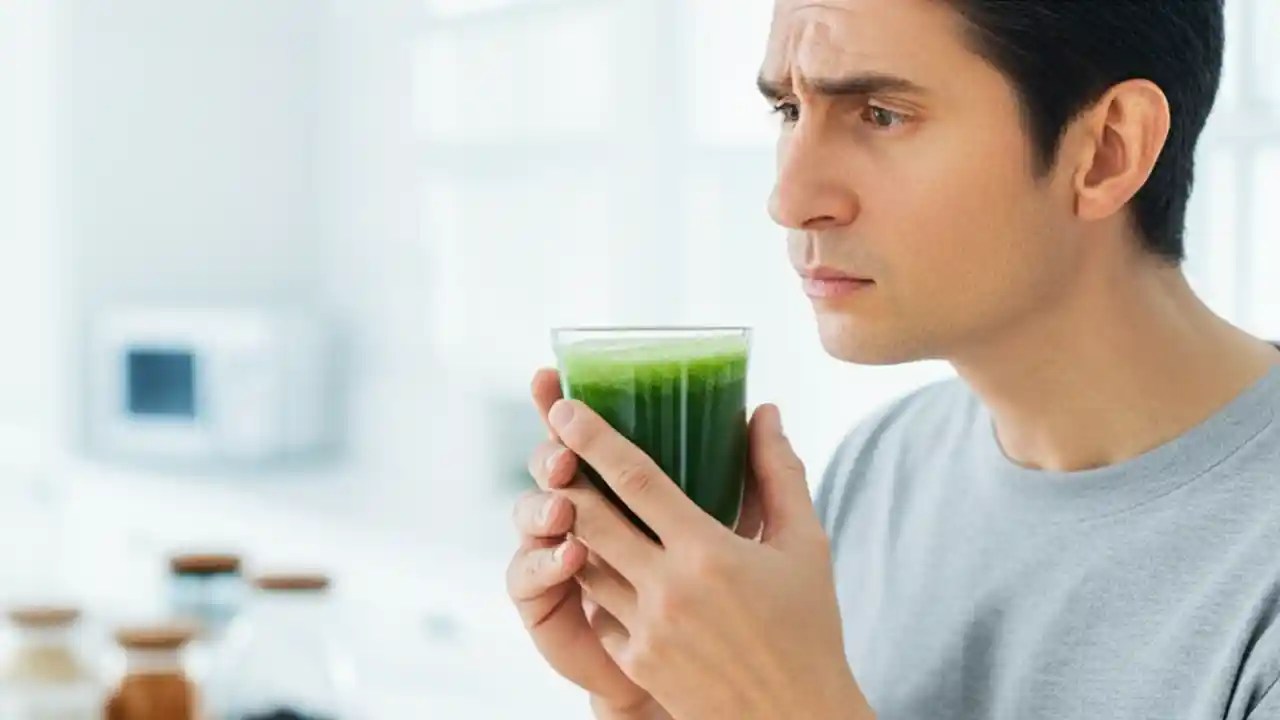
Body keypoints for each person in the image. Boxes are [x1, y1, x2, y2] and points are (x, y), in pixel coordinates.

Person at [506, 0, 1280, 717]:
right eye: (787, 110)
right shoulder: (879, 470)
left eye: (881, 114)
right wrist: (661, 702)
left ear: (1107, 151)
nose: (789, 199)